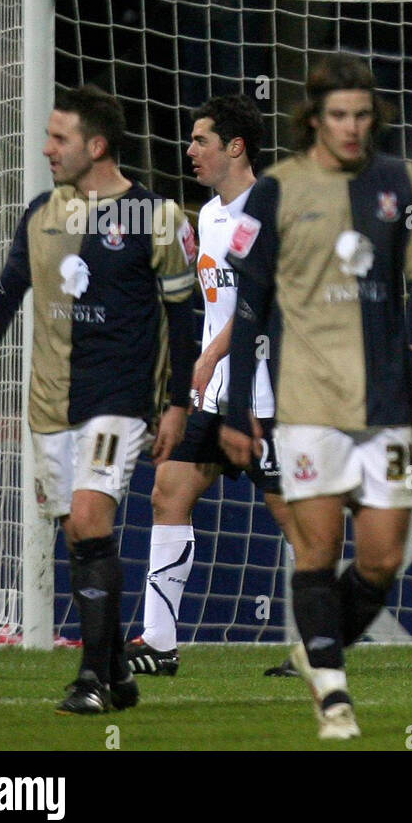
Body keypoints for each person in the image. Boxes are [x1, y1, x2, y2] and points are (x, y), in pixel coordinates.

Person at [220, 54, 412, 740]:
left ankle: (317, 647)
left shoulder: (398, 181)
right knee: (318, 550)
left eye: (361, 114)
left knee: (384, 557)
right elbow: (249, 306)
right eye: (338, 115)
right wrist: (242, 401)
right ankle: (333, 697)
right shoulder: (275, 190)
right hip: (307, 402)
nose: (352, 127)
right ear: (313, 118)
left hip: (387, 400)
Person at [0, 84, 198, 714]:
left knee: (90, 520)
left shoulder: (157, 217)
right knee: (81, 539)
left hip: (118, 397)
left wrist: (176, 403)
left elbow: (184, 315)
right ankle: (116, 672)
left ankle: (89, 680)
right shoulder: (42, 213)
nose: (45, 148)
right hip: (49, 402)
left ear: (96, 145)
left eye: (58, 138)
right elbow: (7, 290)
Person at [122, 94, 305, 679]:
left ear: (235, 147)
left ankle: (315, 648)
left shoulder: (272, 208)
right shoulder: (207, 216)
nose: (189, 149)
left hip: (271, 391)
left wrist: (215, 353)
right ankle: (159, 641)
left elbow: (265, 298)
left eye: (201, 139)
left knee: (298, 523)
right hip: (212, 392)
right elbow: (212, 301)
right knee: (167, 494)